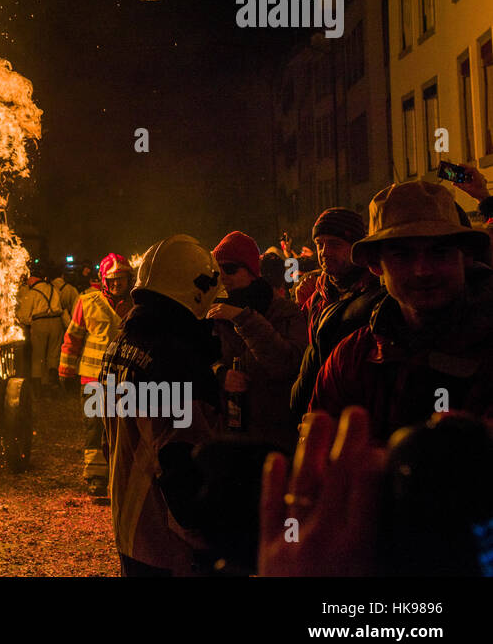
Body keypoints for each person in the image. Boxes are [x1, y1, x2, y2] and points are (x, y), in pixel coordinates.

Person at [311, 180, 493, 440]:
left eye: (439, 252)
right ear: (376, 265)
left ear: (465, 256)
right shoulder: (352, 357)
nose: (423, 270)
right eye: (402, 255)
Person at [101, 235, 222, 576]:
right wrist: (202, 535)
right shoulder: (175, 359)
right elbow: (178, 459)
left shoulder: (121, 341)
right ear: (196, 292)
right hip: (167, 541)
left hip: (129, 524)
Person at [207, 231, 307, 453]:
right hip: (230, 437)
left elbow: (287, 364)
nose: (223, 276)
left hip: (274, 440)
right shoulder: (213, 311)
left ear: (252, 272)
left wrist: (244, 319)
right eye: (218, 269)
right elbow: (202, 360)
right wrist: (220, 374)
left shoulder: (284, 311)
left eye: (231, 268)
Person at [289, 208, 383, 421]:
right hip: (314, 413)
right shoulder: (319, 295)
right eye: (320, 244)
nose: (324, 252)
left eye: (335, 244)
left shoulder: (376, 295)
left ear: (357, 248)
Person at [61, 252, 134, 496]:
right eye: (112, 280)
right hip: (93, 377)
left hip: (126, 378)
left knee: (124, 428)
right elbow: (73, 337)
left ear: (129, 279)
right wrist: (66, 369)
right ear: (104, 280)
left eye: (121, 279)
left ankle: (121, 476)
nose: (117, 284)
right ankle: (96, 477)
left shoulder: (138, 304)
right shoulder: (87, 301)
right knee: (94, 427)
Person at [15, 266, 79, 395]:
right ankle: (52, 384)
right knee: (54, 354)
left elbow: (24, 316)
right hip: (56, 322)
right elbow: (62, 308)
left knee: (38, 356)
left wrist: (28, 323)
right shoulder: (53, 289)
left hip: (40, 323)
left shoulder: (31, 293)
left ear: (32, 280)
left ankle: (39, 388)